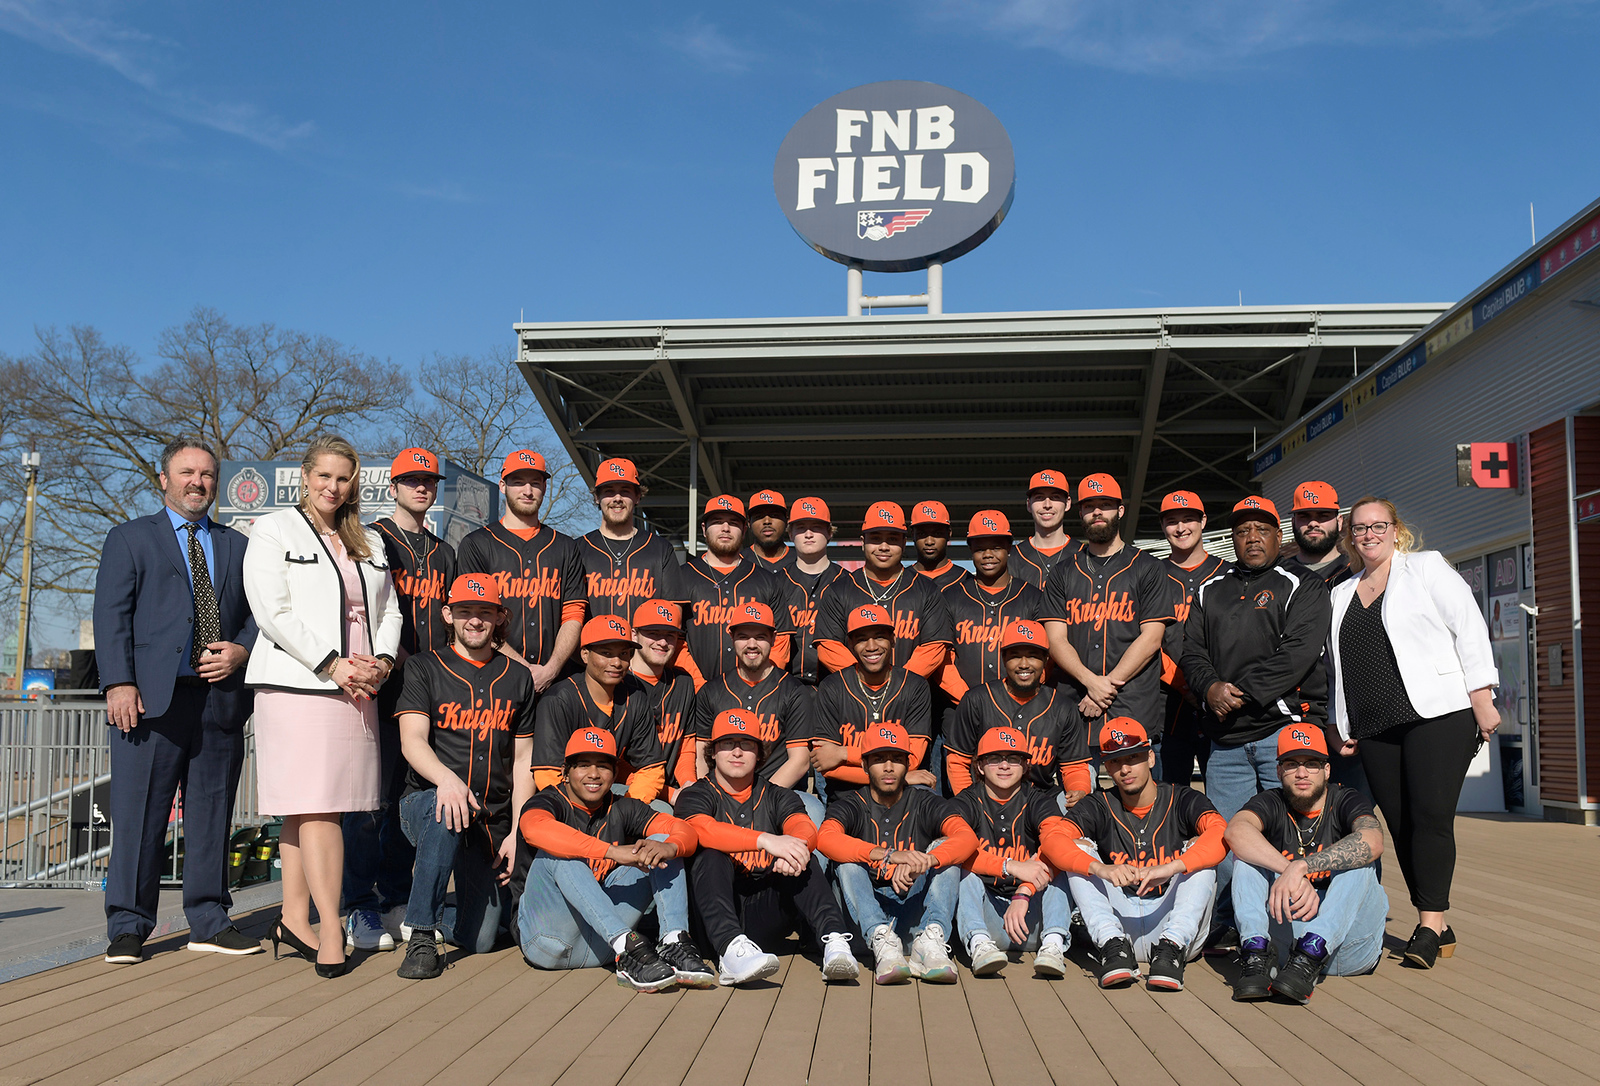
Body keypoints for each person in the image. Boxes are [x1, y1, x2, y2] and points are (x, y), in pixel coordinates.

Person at [95, 438, 260, 965]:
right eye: (186, 472)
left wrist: (242, 650)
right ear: (162, 480)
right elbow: (111, 616)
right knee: (140, 815)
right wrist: (119, 682)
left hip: (220, 700)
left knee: (212, 815)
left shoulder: (238, 546)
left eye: (208, 474)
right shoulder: (128, 539)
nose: (198, 481)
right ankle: (128, 924)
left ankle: (209, 919)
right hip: (149, 703)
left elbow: (262, 615)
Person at [243, 435, 402, 977]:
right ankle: (332, 925)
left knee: (312, 807)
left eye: (344, 478)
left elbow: (390, 612)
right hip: (299, 686)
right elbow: (272, 612)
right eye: (325, 476)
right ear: (306, 476)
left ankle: (292, 916)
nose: (333, 487)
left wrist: (380, 660)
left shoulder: (369, 540)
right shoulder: (272, 528)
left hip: (359, 687)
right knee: (318, 806)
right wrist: (331, 663)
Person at [1328, 497, 1498, 968]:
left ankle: (1429, 923)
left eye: (1378, 525)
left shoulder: (1425, 568)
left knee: (1430, 816)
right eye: (1360, 528)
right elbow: (1342, 667)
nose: (1369, 534)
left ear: (1395, 529)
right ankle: (1438, 925)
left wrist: (1482, 697)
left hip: (1439, 716)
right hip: (1376, 724)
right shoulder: (1342, 593)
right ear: (1350, 536)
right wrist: (1343, 721)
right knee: (1401, 824)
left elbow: (1469, 626)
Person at [1178, 496, 1330, 948]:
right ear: (1232, 538)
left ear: (1277, 536)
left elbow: (1298, 654)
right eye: (1242, 531)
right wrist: (1208, 689)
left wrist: (1235, 693)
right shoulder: (1210, 588)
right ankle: (1233, 923)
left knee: (1292, 833)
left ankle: (1299, 922)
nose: (1252, 538)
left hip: (1281, 733)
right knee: (1228, 838)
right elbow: (1192, 652)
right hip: (1225, 742)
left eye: (1261, 530)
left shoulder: (1302, 583)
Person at [392, 574, 535, 979]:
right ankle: (422, 933)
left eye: (484, 612)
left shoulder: (517, 676)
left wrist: (518, 829)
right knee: (445, 806)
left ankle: (434, 909)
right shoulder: (423, 667)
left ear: (499, 617)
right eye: (465, 611)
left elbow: (523, 757)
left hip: (491, 816)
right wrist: (447, 781)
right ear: (448, 615)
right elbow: (412, 741)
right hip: (426, 803)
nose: (474, 620)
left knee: (484, 938)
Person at [345, 447, 454, 953]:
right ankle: (357, 903)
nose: (420, 487)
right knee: (371, 802)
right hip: (383, 686)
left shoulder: (444, 551)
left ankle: (395, 896)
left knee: (409, 798)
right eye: (410, 480)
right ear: (392, 487)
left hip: (430, 692)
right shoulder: (372, 540)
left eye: (428, 480)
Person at [516, 729, 713, 991]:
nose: (594, 774)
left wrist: (671, 847)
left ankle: (673, 941)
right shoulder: (549, 800)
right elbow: (533, 828)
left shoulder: (621, 806)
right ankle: (628, 946)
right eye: (583, 765)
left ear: (614, 772)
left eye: (603, 766)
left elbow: (685, 830)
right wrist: (611, 851)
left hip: (602, 945)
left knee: (661, 844)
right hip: (546, 941)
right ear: (565, 771)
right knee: (562, 852)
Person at [677, 710, 860, 985]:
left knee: (802, 857)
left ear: (759, 753)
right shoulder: (695, 794)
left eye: (746, 744)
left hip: (763, 914)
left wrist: (794, 850)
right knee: (711, 855)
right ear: (713, 752)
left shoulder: (776, 794)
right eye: (728, 744)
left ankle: (834, 943)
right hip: (710, 919)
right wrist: (766, 841)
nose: (737, 752)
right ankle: (730, 954)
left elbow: (805, 828)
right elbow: (703, 830)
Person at [1045, 720, 1227, 992]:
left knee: (1201, 852)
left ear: (1151, 757)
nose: (1125, 769)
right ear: (1106, 767)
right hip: (1120, 925)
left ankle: (1172, 948)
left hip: (1175, 925)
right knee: (1078, 848)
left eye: (1133, 757)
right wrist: (1100, 868)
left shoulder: (1183, 798)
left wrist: (1172, 867)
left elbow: (1222, 833)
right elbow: (1052, 840)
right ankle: (1111, 945)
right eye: (1115, 761)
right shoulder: (1098, 804)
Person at [1224, 726, 1387, 1003]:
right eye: (1292, 764)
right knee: (1246, 859)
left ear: (1326, 770)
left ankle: (1314, 950)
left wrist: (1301, 868)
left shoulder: (1346, 799)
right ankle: (1255, 953)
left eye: (1311, 764)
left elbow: (1373, 840)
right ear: (1278, 772)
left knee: (1360, 859)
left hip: (1350, 948)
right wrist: (1289, 870)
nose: (1301, 773)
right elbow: (1235, 832)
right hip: (1288, 953)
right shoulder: (1271, 801)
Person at [817, 723, 977, 984]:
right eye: (879, 759)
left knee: (946, 853)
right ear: (865, 765)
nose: (889, 767)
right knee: (847, 862)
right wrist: (888, 855)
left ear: (908, 765)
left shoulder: (925, 801)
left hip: (914, 917)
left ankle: (931, 942)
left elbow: (967, 837)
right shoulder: (850, 804)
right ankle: (881, 938)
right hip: (863, 926)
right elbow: (824, 839)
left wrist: (927, 860)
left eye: (897, 759)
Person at [1041, 474, 1182, 732]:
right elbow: (1055, 640)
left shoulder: (1148, 567)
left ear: (1120, 510)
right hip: (1075, 703)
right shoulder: (1062, 572)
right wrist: (1090, 682)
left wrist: (1104, 687)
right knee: (1080, 774)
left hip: (1132, 702)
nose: (1097, 512)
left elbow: (1151, 639)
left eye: (1105, 504)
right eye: (1089, 505)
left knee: (1134, 774)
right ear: (1080, 511)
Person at [952, 727, 1078, 978]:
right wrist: (1011, 866)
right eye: (994, 759)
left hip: (1035, 918)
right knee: (962, 873)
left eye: (1012, 759)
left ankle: (1053, 945)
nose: (1004, 766)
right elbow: (953, 850)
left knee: (1062, 866)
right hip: (988, 920)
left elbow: (1060, 844)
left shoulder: (1040, 801)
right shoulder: (965, 801)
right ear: (979, 766)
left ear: (1024, 765)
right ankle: (978, 944)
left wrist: (1024, 891)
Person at [455, 449, 585, 691]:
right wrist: (522, 668)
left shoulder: (566, 546)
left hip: (557, 682)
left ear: (545, 488)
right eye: (518, 482)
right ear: (503, 486)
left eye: (535, 483)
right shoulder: (477, 544)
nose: (528, 491)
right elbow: (474, 618)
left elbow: (573, 613)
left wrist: (551, 669)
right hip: (493, 678)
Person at [943, 621, 1091, 800]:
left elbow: (1074, 767)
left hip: (1043, 801)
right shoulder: (977, 700)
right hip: (986, 801)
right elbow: (957, 761)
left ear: (1046, 659)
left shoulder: (1062, 707)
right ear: (1004, 658)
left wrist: (1079, 790)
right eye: (1015, 656)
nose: (1024, 664)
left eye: (1033, 656)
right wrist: (969, 802)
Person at [688, 603, 816, 806]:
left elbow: (799, 761)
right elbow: (702, 755)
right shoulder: (711, 691)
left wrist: (759, 802)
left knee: (813, 809)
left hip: (777, 794)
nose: (752, 644)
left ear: (773, 639)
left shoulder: (794, 691)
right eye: (743, 636)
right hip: (722, 797)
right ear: (732, 638)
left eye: (760, 637)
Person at [531, 615, 667, 802]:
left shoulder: (636, 697)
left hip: (613, 794)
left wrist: (628, 810)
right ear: (585, 654)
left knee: (663, 810)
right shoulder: (558, 700)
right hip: (568, 801)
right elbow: (548, 775)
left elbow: (651, 769)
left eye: (624, 654)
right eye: (607, 653)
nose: (617, 662)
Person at [813, 502, 954, 681]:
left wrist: (898, 685)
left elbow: (932, 648)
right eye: (876, 538)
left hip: (911, 699)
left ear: (904, 542)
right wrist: (864, 682)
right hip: (851, 699)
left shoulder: (928, 591)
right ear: (863, 542)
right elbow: (828, 646)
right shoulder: (838, 590)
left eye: (893, 539)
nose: (884, 546)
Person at [812, 605, 934, 798]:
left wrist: (844, 753)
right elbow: (825, 764)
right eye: (861, 639)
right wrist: (902, 776)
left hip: (902, 795)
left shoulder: (914, 686)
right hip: (847, 795)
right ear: (850, 644)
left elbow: (914, 759)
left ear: (893, 640)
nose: (871, 647)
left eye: (879, 637)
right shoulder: (832, 686)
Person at [678, 494, 793, 687]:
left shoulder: (766, 579)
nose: (725, 528)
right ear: (704, 529)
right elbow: (673, 640)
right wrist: (698, 686)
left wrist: (761, 683)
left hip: (755, 693)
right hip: (694, 694)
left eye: (733, 522)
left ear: (744, 529)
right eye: (717, 522)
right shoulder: (681, 577)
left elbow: (781, 639)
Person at [939, 511, 1047, 706]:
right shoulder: (950, 597)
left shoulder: (1033, 597)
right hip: (960, 708)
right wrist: (968, 699)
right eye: (980, 549)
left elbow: (1047, 656)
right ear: (970, 549)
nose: (988, 555)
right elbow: (942, 657)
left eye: (996, 548)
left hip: (1021, 705)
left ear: (1009, 547)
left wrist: (1023, 692)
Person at [1155, 491, 1224, 787]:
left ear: (1203, 521)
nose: (1181, 528)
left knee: (1226, 797)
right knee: (1168, 797)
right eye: (1172, 521)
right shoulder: (1150, 573)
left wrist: (1208, 685)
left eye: (1189, 519)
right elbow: (1137, 637)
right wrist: (1184, 682)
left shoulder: (1228, 573)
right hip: (1166, 701)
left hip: (1218, 699)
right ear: (1162, 526)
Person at [578, 457, 688, 621]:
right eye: (609, 491)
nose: (617, 498)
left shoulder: (660, 549)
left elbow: (674, 612)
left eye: (625, 491)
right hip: (592, 647)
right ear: (597, 497)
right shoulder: (577, 549)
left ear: (637, 497)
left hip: (644, 647)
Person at [629, 600, 699, 796]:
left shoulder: (683, 682)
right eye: (653, 633)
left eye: (669, 635)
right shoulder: (618, 681)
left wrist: (688, 784)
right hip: (626, 791)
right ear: (634, 634)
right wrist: (669, 793)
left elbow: (684, 747)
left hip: (671, 790)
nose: (662, 642)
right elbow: (614, 765)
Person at [777, 497, 847, 686]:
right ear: (790, 534)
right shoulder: (775, 583)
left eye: (816, 527)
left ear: (829, 532)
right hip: (785, 687)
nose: (808, 534)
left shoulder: (849, 583)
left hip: (836, 687)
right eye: (801, 528)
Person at [1009, 470, 1080, 590]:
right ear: (1028, 504)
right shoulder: (1011, 558)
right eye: (1039, 497)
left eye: (1055, 497)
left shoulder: (1084, 555)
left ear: (1067, 503)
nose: (1047, 505)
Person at [1282, 481, 1351, 587]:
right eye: (1304, 516)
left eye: (1323, 515)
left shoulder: (1356, 571)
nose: (1313, 523)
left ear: (1339, 522)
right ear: (1293, 523)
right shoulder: (1280, 574)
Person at [910, 501, 969, 590]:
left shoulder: (966, 579)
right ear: (912, 535)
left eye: (937, 534)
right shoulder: (900, 580)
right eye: (922, 534)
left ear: (949, 534)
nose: (929, 542)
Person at [744, 489, 796, 573]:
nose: (767, 521)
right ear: (749, 523)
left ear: (786, 522)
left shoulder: (801, 561)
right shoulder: (739, 561)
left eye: (774, 515)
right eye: (759, 516)